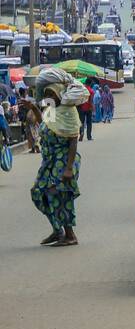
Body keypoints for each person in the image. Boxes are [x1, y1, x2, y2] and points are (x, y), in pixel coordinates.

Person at [29, 68, 87, 247]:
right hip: (50, 160)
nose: (48, 97)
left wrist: (69, 168)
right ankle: (57, 229)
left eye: (51, 93)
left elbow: (73, 140)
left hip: (64, 159)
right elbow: (44, 123)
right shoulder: (52, 109)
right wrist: (33, 108)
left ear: (59, 93)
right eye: (47, 94)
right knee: (39, 192)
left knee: (60, 195)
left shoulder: (68, 111)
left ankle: (70, 235)